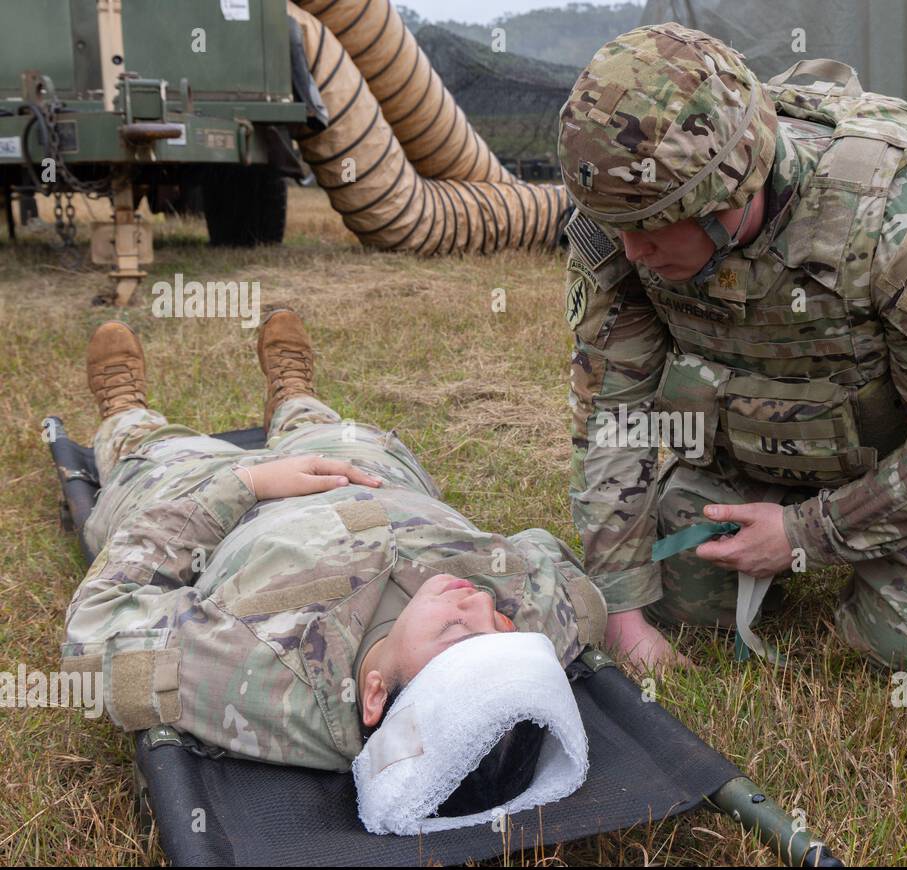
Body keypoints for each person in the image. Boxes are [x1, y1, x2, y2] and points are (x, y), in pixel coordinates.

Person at [558, 23, 907, 672]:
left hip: (891, 470)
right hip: (742, 458)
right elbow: (614, 414)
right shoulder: (626, 216)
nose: (632, 253)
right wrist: (624, 613)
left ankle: (903, 557)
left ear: (726, 193)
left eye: (653, 231)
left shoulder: (903, 226)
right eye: (620, 229)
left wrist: (802, 536)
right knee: (675, 602)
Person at [62, 311, 606, 815]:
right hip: (362, 469)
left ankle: (124, 412)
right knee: (321, 424)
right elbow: (565, 575)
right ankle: (294, 397)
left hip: (213, 502)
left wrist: (242, 485)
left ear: (373, 696)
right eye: (504, 632)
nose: (482, 603)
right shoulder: (531, 634)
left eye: (460, 638)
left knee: (149, 451)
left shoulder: (259, 674)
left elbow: (94, 629)